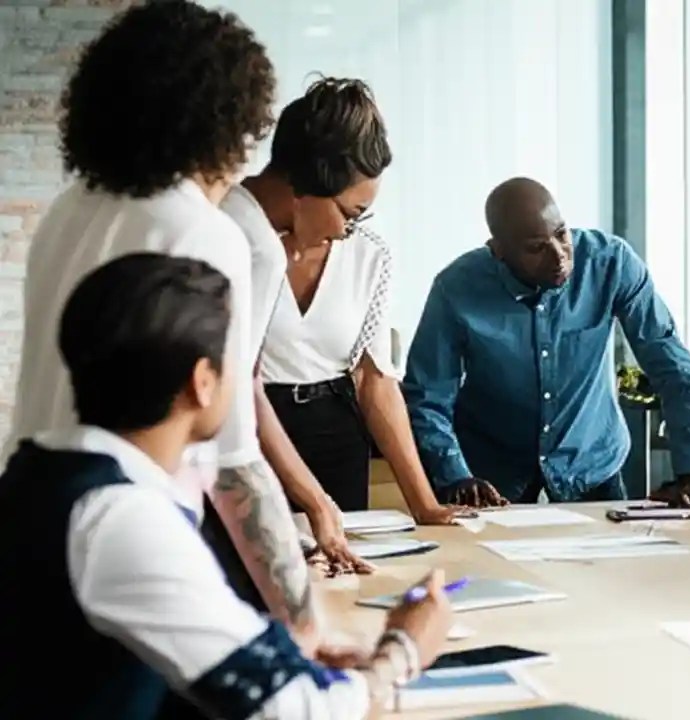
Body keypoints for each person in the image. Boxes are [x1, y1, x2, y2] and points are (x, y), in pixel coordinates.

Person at [0, 253, 453, 719]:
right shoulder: (120, 517)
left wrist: (277, 660)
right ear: (203, 382)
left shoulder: (40, 469)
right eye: (243, 365)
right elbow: (295, 712)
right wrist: (404, 649)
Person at [3, 0, 325, 647]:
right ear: (227, 121)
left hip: (30, 516)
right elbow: (233, 460)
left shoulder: (68, 211)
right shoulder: (206, 232)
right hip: (134, 545)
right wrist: (307, 628)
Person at [223, 77, 463, 526]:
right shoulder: (235, 236)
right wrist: (314, 502)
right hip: (250, 434)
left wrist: (424, 505)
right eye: (349, 213)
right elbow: (240, 386)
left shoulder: (369, 255)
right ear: (307, 183)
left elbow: (376, 381)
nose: (343, 232)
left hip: (334, 432)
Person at [403, 177, 690, 506]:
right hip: (490, 476)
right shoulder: (456, 289)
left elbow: (672, 368)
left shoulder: (610, 263)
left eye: (561, 234)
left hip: (591, 465)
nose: (559, 256)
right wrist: (454, 475)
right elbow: (428, 397)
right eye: (536, 248)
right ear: (498, 251)